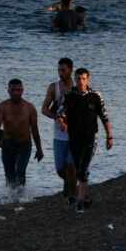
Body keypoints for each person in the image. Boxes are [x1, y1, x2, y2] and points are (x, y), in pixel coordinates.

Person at [58, 67, 112, 212]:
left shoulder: (96, 96)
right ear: (75, 79)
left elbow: (104, 117)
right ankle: (86, 197)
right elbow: (60, 113)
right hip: (74, 138)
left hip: (91, 138)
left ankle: (80, 201)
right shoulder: (69, 95)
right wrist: (62, 122)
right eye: (78, 79)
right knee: (79, 169)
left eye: (83, 79)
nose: (80, 81)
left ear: (88, 79)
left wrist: (109, 136)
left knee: (83, 168)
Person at [0, 79, 43, 189]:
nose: (16, 93)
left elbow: (35, 130)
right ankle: (10, 196)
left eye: (18, 90)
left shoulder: (30, 108)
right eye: (13, 90)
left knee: (20, 171)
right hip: (7, 145)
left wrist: (39, 149)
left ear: (22, 91)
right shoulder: (3, 106)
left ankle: (21, 196)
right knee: (9, 175)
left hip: (24, 145)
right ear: (8, 91)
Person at [41, 57, 78, 202]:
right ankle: (73, 185)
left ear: (71, 70)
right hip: (59, 135)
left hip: (75, 135)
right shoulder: (54, 87)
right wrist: (56, 117)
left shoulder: (78, 87)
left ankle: (73, 197)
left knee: (71, 166)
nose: (60, 73)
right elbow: (44, 109)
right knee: (60, 168)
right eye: (59, 70)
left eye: (63, 70)